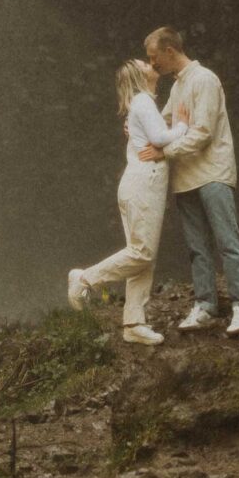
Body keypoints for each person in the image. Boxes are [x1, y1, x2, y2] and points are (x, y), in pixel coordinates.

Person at [139, 25, 239, 336]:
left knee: (226, 240)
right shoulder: (178, 86)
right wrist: (139, 126)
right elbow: (163, 123)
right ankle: (206, 304)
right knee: (197, 247)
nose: (153, 65)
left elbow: (203, 132)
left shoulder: (204, 80)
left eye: (154, 58)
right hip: (185, 178)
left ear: (170, 50)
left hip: (212, 173)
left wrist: (164, 153)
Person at [67, 57, 183, 346]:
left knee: (143, 256)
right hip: (145, 183)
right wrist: (183, 126)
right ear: (137, 75)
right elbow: (161, 137)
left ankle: (133, 322)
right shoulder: (143, 101)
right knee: (142, 253)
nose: (149, 63)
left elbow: (152, 134)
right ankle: (85, 279)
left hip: (139, 183)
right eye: (143, 63)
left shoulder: (141, 105)